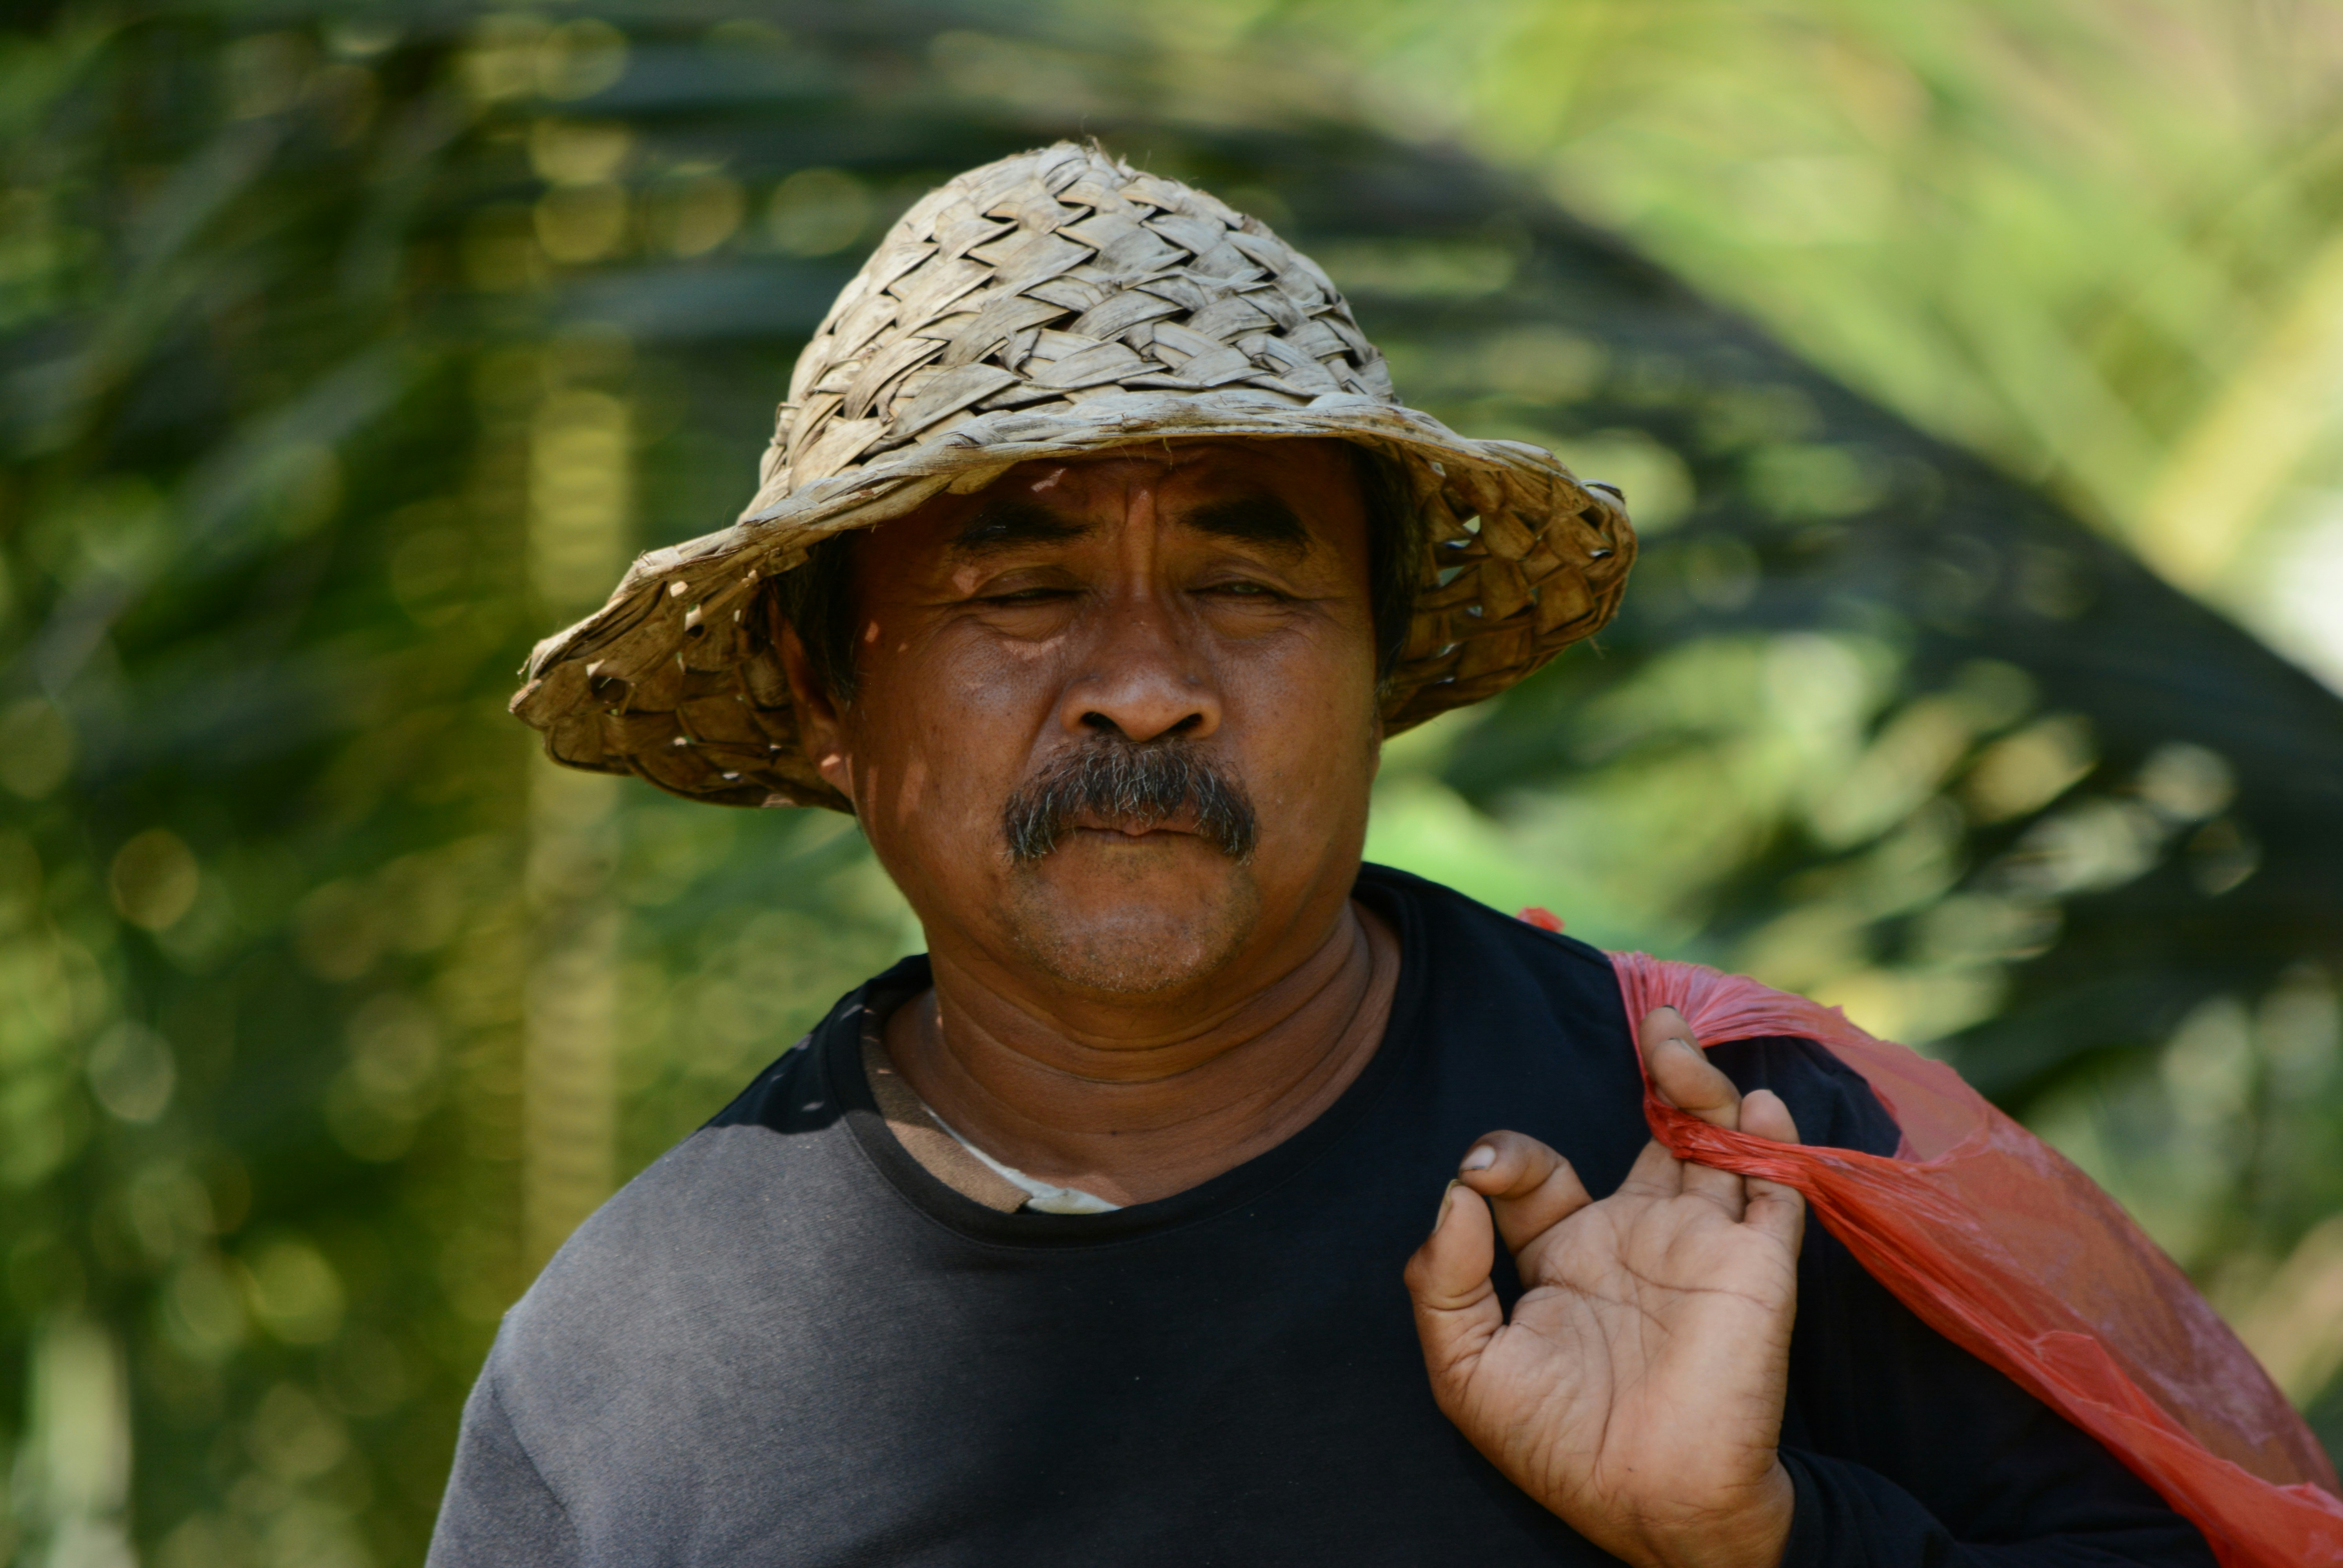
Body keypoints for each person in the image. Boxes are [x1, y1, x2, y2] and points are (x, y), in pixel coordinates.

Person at [440, 143, 2217, 1566]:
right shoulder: (630, 1377)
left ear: (1380, 671)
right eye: (1023, 586)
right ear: (830, 693)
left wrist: (1769, 1538)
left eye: (1246, 580)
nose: (1144, 688)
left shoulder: (1724, 1173)